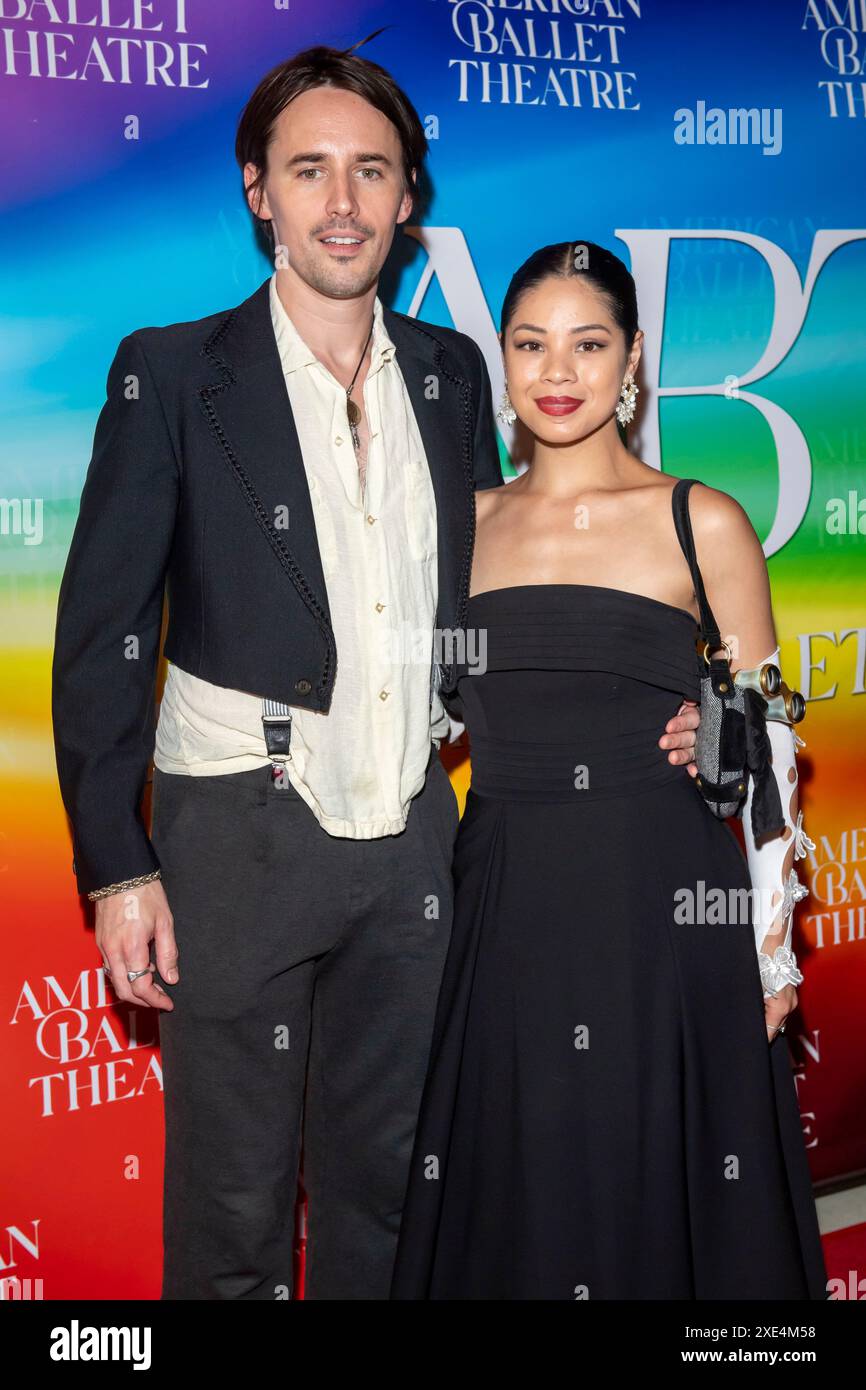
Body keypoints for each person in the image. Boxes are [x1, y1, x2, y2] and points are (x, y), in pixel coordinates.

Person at [51, 47, 699, 1301]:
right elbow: (100, 635)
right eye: (308, 171)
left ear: (409, 200)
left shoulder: (455, 370)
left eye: (370, 171)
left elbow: (497, 595)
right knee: (231, 1200)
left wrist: (657, 706)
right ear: (259, 191)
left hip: (413, 836)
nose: (340, 201)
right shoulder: (173, 374)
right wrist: (118, 864)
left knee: (394, 1186)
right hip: (235, 833)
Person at [390, 241, 829, 1300]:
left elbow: (768, 740)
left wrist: (769, 958)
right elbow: (430, 711)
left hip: (662, 909)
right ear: (500, 357)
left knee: (659, 1183)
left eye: (587, 345)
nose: (556, 371)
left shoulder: (699, 518)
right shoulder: (464, 528)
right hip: (503, 903)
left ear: (631, 358)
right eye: (530, 344)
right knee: (524, 1188)